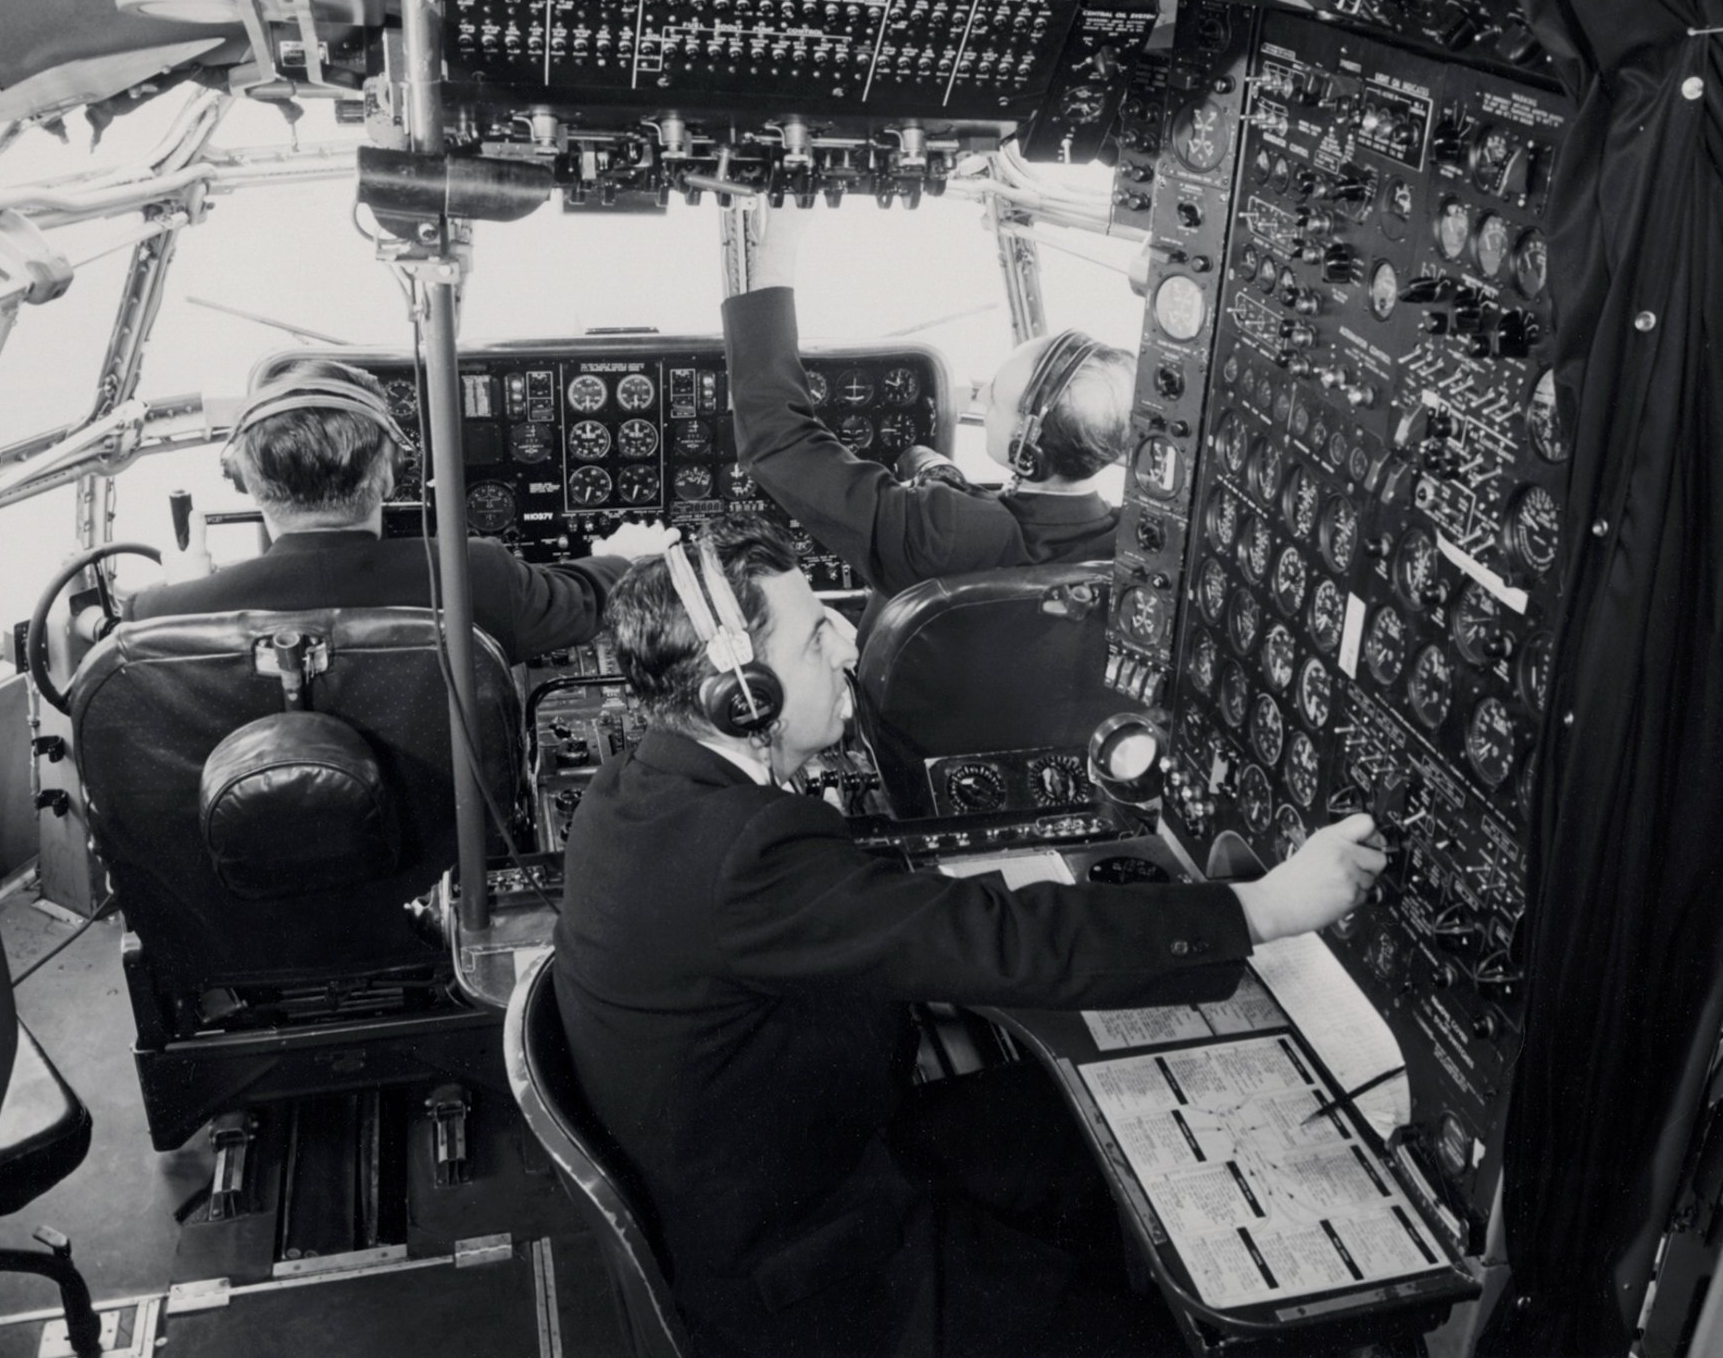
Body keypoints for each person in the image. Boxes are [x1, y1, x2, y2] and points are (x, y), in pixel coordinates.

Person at [553, 519, 1388, 1358]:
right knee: (1149, 1336)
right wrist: (1262, 907)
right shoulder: (744, 853)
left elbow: (872, 915)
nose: (848, 643)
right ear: (744, 697)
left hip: (782, 1167)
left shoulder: (638, 784)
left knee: (1068, 1120)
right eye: (814, 636)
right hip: (822, 1273)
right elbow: (1000, 942)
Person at [722, 204, 1136, 631]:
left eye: (994, 397)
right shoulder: (1136, 550)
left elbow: (776, 436)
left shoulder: (947, 532)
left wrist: (783, 232)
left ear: (1026, 453)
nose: (979, 395)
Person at [125, 356, 673, 661]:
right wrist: (626, 556)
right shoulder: (475, 575)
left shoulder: (162, 618)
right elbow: (587, 599)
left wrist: (189, 596)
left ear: (244, 480)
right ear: (391, 473)